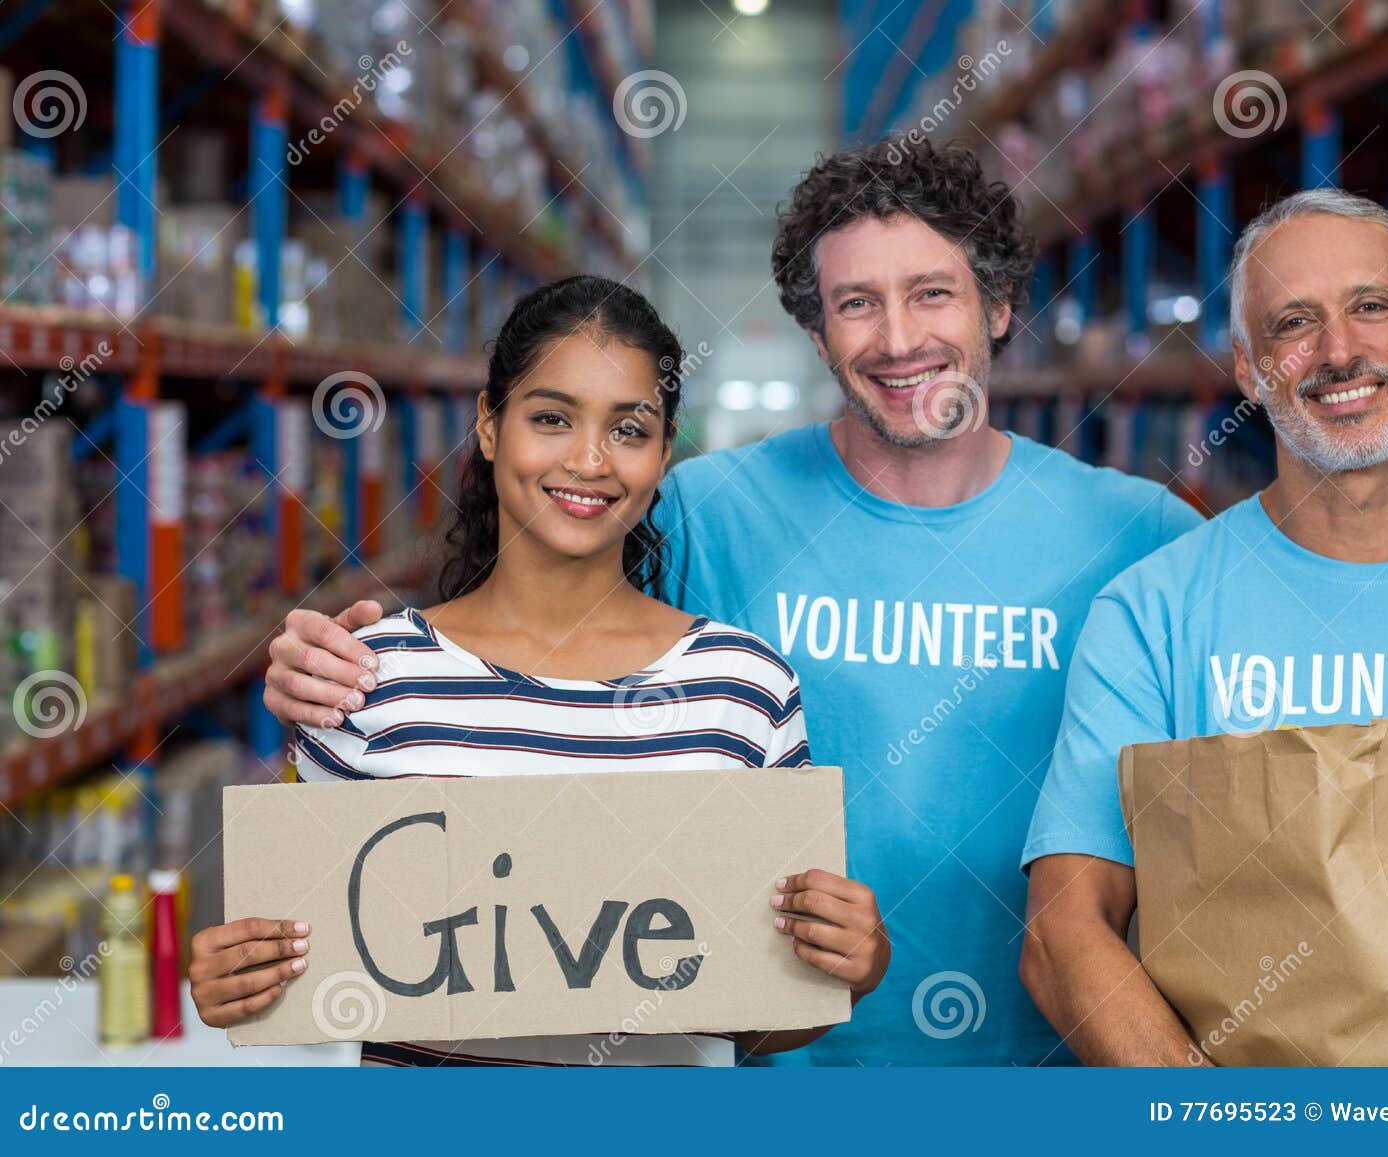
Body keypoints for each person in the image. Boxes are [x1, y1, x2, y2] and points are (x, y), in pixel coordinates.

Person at [255, 143, 1388, 1066]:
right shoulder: (706, 510)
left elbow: (1321, 602)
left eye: (933, 294)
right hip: (763, 1068)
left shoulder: (1137, 536)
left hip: (1059, 1083)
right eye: (856, 304)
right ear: (813, 328)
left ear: (1001, 307)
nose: (899, 339)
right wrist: (355, 652)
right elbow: (533, 601)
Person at [188, 276, 889, 1066]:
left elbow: (755, 1020)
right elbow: (322, 986)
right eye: (551, 418)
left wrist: (843, 973)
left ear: (665, 452)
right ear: (490, 427)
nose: (588, 460)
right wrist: (242, 982)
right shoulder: (371, 679)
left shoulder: (742, 689)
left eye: (629, 428)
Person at [1020, 189, 1388, 1067]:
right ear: (1250, 369)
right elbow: (1065, 930)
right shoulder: (1155, 613)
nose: (1338, 351)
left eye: (1373, 307)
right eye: (1295, 322)